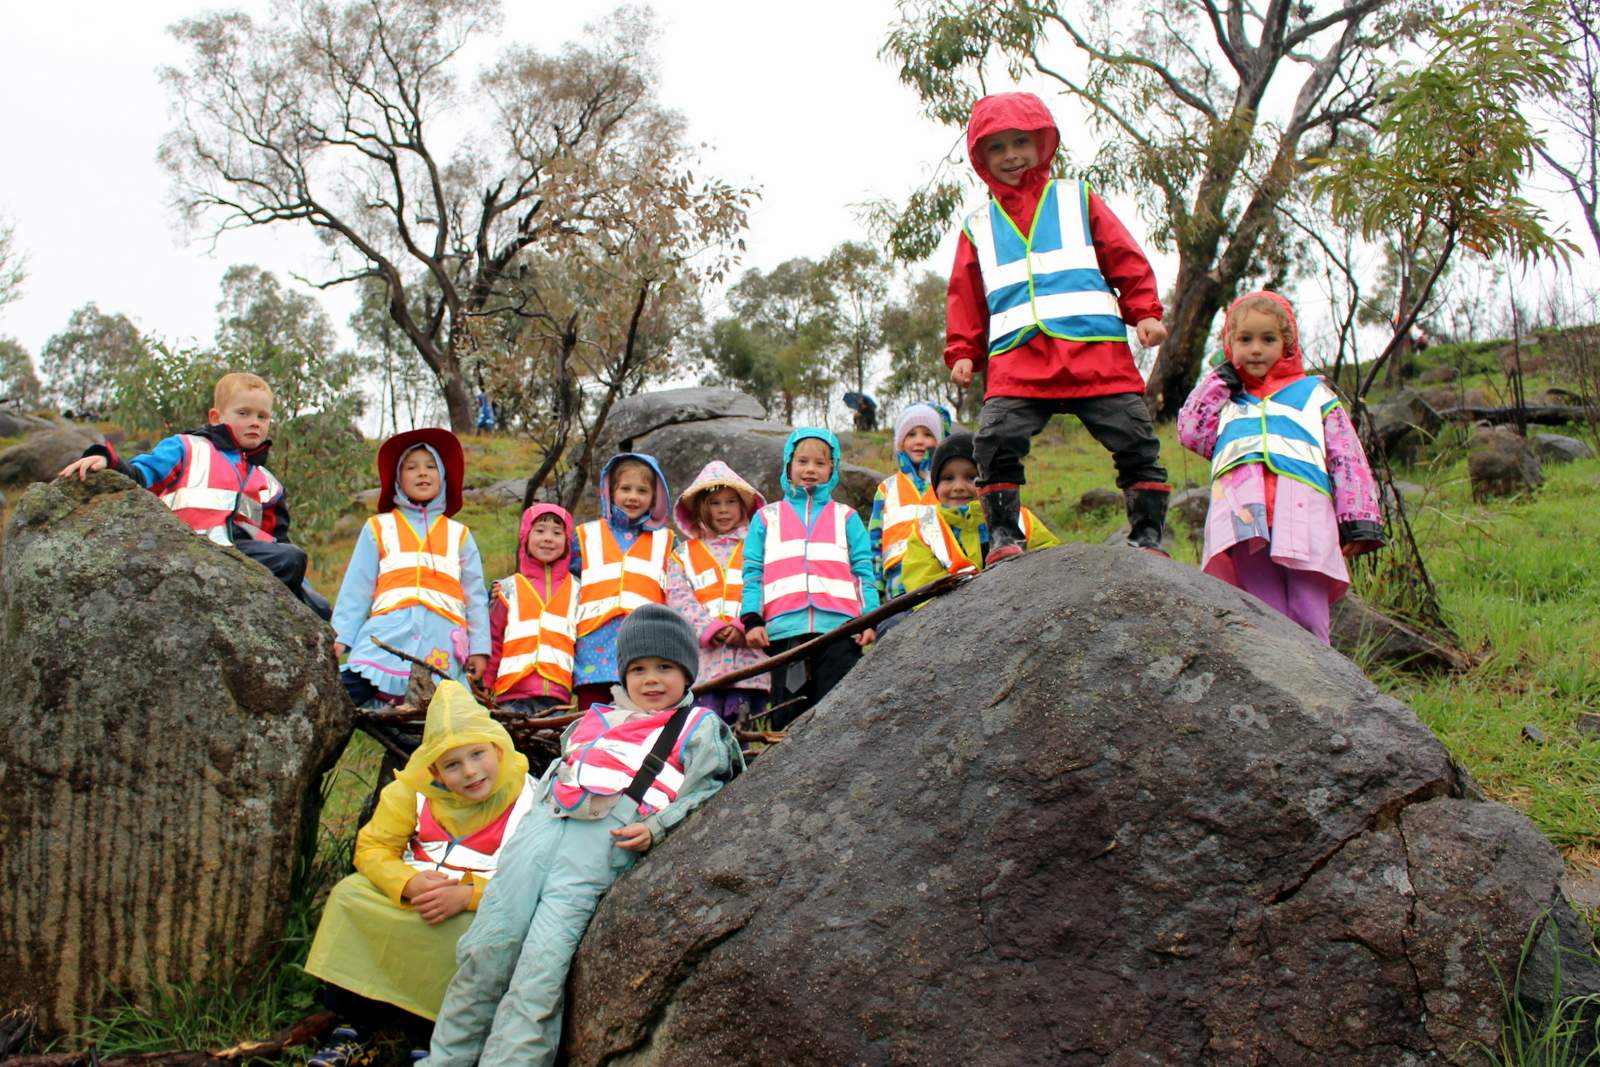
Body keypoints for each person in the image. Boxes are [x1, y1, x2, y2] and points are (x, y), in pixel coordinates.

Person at [423, 605, 743, 1066]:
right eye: (639, 669)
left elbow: (711, 790)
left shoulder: (698, 727)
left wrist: (657, 827)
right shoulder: (591, 720)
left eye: (665, 668)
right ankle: (445, 1060)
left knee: (541, 969)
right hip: (542, 834)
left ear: (687, 672)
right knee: (486, 947)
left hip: (599, 846)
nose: (651, 679)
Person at [945, 91, 1172, 562]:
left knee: (1136, 438)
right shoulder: (977, 224)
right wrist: (964, 349)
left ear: (1043, 143)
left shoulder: (1076, 197)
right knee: (995, 441)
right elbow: (964, 295)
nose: (1011, 156)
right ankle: (1005, 536)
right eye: (997, 148)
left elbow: (1123, 257)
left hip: (1095, 351)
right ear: (981, 158)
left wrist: (1144, 311)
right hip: (1018, 358)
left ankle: (1148, 535)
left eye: (1021, 142)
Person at [303, 681, 534, 1066]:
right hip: (417, 895)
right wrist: (406, 883)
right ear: (436, 771)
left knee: (467, 937)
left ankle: (431, 1034)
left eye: (478, 754)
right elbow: (373, 847)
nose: (471, 772)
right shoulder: (411, 792)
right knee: (349, 897)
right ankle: (354, 1023)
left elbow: (532, 874)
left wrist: (468, 895)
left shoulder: (528, 797)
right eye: (452, 764)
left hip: (477, 903)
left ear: (498, 748)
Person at [1177, 290, 1385, 642]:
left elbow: (1348, 458)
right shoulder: (1227, 402)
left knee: (1308, 609)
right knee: (1263, 613)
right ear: (1230, 345)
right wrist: (1216, 383)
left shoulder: (1314, 395)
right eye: (1245, 339)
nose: (1255, 349)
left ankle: (1325, 687)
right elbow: (1191, 432)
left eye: (1268, 339)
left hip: (1304, 518)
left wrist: (1358, 520)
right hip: (1243, 522)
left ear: (1287, 344)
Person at [56, 371, 329, 617]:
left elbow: (278, 541)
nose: (254, 423)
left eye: (262, 416)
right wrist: (106, 459)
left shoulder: (268, 483)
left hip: (241, 561)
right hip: (184, 554)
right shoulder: (187, 448)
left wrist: (311, 600)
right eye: (243, 413)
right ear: (216, 417)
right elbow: (140, 475)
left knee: (304, 580)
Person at [332, 428, 490, 707]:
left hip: (441, 640)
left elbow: (475, 597)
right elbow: (357, 587)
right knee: (343, 696)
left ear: (443, 477)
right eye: (411, 467)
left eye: (431, 467)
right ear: (398, 478)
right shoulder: (379, 527)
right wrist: (341, 636)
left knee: (440, 711)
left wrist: (479, 649)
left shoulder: (460, 535)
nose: (422, 473)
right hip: (387, 635)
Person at [739, 428, 879, 730]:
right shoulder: (766, 517)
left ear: (833, 468)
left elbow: (864, 570)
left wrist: (869, 618)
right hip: (786, 630)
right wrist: (752, 620)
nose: (810, 470)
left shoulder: (847, 517)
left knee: (839, 709)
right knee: (789, 713)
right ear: (788, 466)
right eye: (802, 461)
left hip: (842, 629)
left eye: (820, 463)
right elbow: (753, 571)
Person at [664, 460, 771, 728]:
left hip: (750, 660)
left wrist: (744, 625)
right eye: (715, 503)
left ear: (744, 506)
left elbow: (770, 586)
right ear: (702, 507)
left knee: (746, 730)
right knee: (704, 731)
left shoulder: (761, 546)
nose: (723, 510)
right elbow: (678, 598)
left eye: (731, 502)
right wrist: (710, 629)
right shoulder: (683, 555)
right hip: (704, 663)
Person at [568, 453, 674, 711]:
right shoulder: (585, 535)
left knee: (641, 718)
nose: (633, 497)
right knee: (592, 717)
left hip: (646, 644)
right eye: (625, 488)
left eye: (642, 490)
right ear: (610, 491)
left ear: (655, 497)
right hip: (593, 643)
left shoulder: (667, 541)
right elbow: (561, 579)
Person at [900, 430, 1059, 597]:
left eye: (971, 477)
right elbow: (921, 588)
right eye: (948, 478)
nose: (959, 486)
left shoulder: (1020, 518)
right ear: (935, 487)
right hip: (955, 617)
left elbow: (1050, 561)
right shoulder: (925, 531)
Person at [486, 504, 578, 715]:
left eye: (557, 533)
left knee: (548, 746)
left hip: (557, 694)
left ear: (567, 542)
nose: (548, 538)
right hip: (511, 692)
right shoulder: (507, 588)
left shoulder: (577, 590)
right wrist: (486, 684)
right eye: (539, 530)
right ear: (525, 537)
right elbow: (494, 638)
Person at [868, 402, 944, 601]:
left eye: (927, 434)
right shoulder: (886, 489)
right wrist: (875, 592)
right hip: (897, 583)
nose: (919, 441)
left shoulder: (946, 485)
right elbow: (875, 544)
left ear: (938, 441)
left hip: (939, 575)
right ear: (901, 442)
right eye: (911, 434)